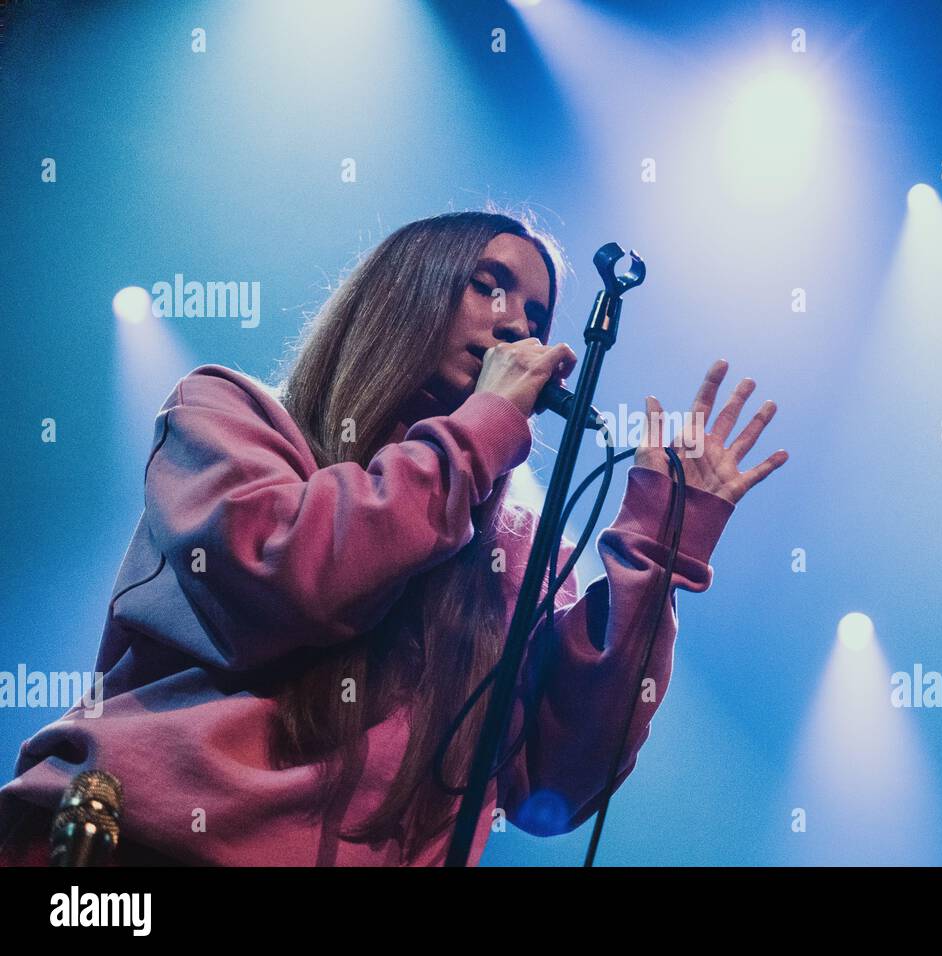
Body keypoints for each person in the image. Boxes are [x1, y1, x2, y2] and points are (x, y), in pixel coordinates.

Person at [0, 210, 788, 866]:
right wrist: (482, 432)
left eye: (538, 318)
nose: (517, 325)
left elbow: (556, 786)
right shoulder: (225, 418)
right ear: (406, 292)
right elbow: (298, 577)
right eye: (490, 286)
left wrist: (655, 544)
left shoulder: (507, 561)